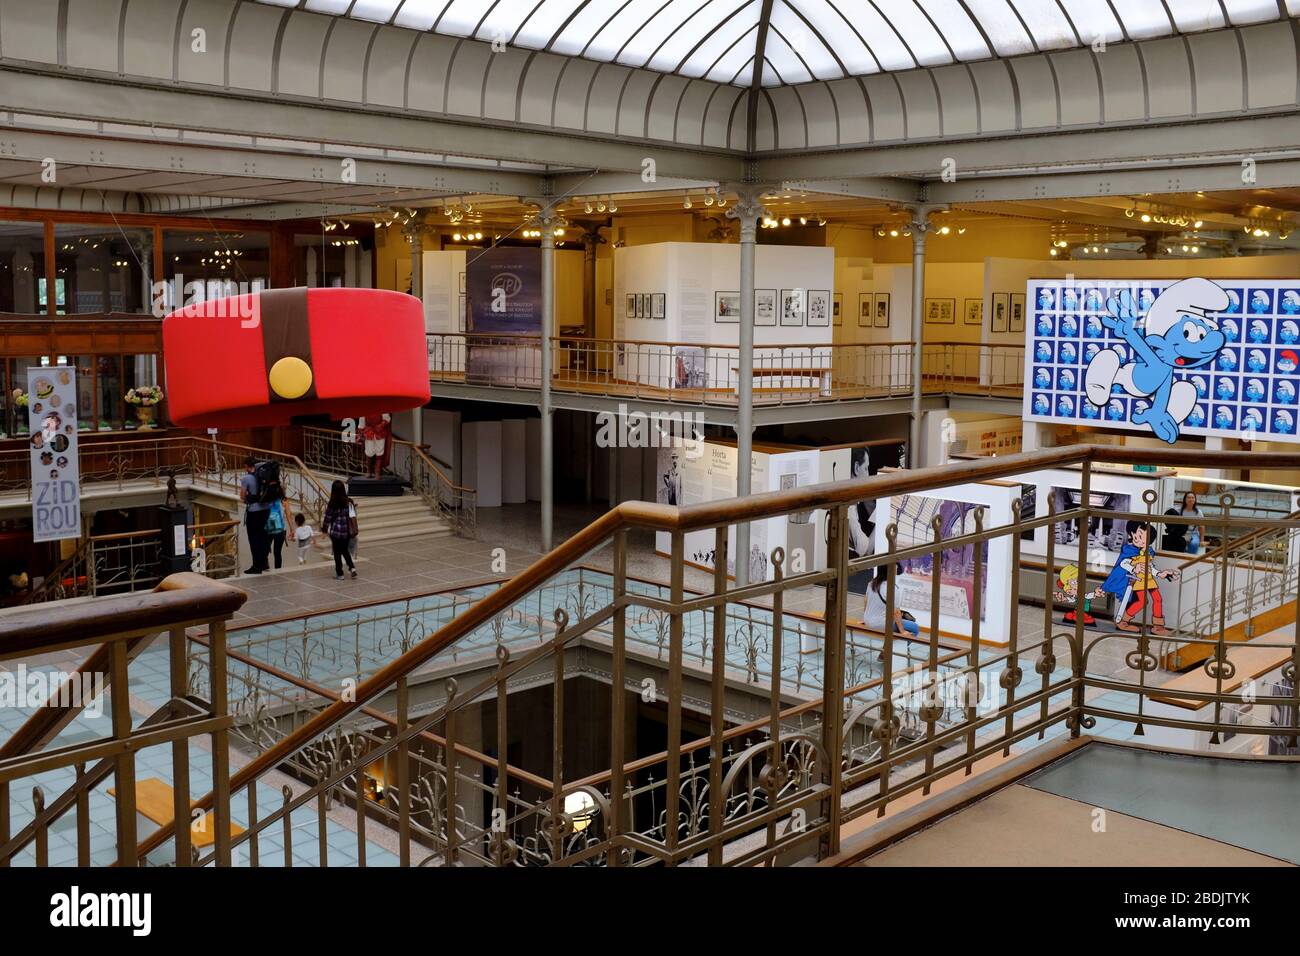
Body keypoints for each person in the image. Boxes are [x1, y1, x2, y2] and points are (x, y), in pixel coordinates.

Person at [1099, 520, 1180, 634]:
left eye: (1141, 537)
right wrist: (1134, 568)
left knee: (1158, 599)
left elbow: (1150, 567)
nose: (1137, 539)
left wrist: (1161, 573)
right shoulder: (1129, 550)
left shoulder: (1149, 551)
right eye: (1136, 535)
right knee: (1141, 601)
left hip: (1149, 579)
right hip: (1138, 580)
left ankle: (1158, 626)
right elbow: (1123, 563)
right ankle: (1122, 621)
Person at [862, 565, 919, 638]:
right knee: (915, 628)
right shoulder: (893, 588)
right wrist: (902, 631)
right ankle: (901, 648)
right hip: (881, 625)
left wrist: (864, 618)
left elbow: (866, 601)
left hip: (867, 620)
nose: (897, 567)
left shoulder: (872, 583)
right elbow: (896, 613)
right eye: (895, 565)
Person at [239, 456, 270, 574]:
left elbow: (242, 496)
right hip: (266, 509)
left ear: (247, 466)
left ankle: (256, 566)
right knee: (262, 536)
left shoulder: (246, 478)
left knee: (254, 538)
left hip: (254, 511)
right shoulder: (264, 475)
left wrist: (248, 498)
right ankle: (264, 562)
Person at [323, 479, 358, 580]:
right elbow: (353, 515)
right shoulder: (349, 502)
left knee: (337, 553)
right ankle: (352, 568)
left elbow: (327, 518)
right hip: (346, 532)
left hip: (335, 532)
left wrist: (324, 530)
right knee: (345, 550)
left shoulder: (332, 503)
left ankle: (340, 574)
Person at [263, 484, 293, 570]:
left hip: (268, 529)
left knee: (264, 550)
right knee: (277, 552)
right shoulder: (284, 501)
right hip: (281, 530)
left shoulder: (267, 499)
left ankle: (265, 567)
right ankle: (278, 570)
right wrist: (292, 529)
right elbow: (288, 515)